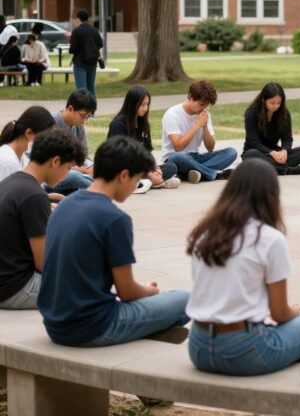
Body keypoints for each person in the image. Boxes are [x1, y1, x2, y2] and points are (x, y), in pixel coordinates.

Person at [186, 159, 300, 375]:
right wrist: (296, 312)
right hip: (244, 350)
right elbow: (279, 313)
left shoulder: (205, 233)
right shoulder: (269, 238)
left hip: (198, 346)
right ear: (270, 197)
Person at [38, 137, 190, 346]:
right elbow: (126, 292)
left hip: (54, 323)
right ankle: (145, 327)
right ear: (124, 175)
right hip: (91, 327)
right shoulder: (115, 219)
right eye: (136, 180)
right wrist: (148, 291)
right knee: (185, 300)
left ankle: (145, 326)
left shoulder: (65, 204)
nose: (135, 187)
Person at [0, 129, 84, 309]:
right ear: (55, 161)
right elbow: (44, 262)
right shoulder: (34, 196)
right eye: (68, 168)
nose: (67, 175)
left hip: (6, 278)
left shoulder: (10, 183)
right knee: (91, 284)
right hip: (16, 287)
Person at [161, 80, 238, 183]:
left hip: (196, 157)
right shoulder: (172, 114)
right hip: (174, 158)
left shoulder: (204, 115)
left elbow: (210, 147)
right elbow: (178, 147)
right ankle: (216, 174)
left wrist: (205, 126)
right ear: (190, 97)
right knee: (181, 157)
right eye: (201, 104)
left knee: (231, 152)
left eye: (206, 105)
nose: (203, 108)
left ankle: (195, 173)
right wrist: (197, 125)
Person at [108, 86, 180, 190]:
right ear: (132, 104)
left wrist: (155, 167)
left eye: (147, 104)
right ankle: (153, 182)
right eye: (142, 105)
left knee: (171, 167)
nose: (146, 108)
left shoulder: (143, 125)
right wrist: (149, 173)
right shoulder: (118, 125)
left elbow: (147, 152)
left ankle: (146, 182)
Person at [242, 82, 300, 175]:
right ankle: (288, 170)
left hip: (275, 154)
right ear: (263, 100)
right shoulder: (251, 113)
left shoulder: (284, 114)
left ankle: (274, 167)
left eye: (279, 103)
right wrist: (271, 152)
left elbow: (287, 138)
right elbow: (254, 142)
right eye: (272, 103)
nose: (275, 106)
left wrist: (284, 151)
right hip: (257, 152)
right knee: (250, 155)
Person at [49, 89, 98, 194]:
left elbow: (83, 154)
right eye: (83, 116)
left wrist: (91, 166)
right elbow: (53, 163)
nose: (84, 120)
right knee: (74, 177)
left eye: (88, 117)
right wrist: (84, 170)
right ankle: (102, 189)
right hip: (52, 176)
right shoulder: (52, 123)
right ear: (70, 108)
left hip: (73, 172)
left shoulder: (79, 125)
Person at [0, 106, 55, 182]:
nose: (46, 143)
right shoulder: (8, 163)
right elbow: (7, 193)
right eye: (43, 138)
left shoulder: (22, 157)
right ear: (28, 133)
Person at [69, 9, 103, 97]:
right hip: (92, 61)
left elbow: (73, 49)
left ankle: (83, 108)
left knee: (81, 88)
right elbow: (100, 44)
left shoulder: (77, 31)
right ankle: (92, 108)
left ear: (78, 19)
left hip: (80, 62)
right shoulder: (94, 30)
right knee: (91, 87)